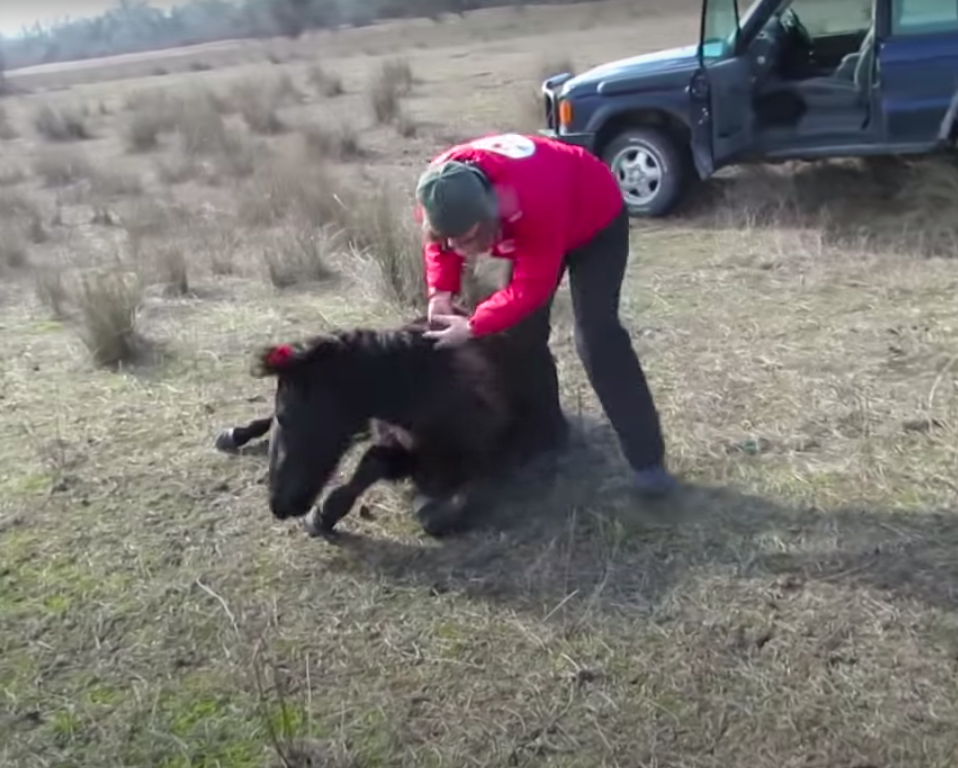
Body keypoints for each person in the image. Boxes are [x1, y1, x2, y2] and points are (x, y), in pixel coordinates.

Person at [414, 132, 677, 497]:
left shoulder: (531, 196)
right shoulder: (439, 189)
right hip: (538, 219)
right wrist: (440, 292)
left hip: (593, 219)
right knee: (520, 334)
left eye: (468, 239)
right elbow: (438, 246)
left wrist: (473, 326)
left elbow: (529, 288)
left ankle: (648, 464)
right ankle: (548, 434)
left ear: (489, 212)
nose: (460, 250)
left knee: (597, 340)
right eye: (450, 240)